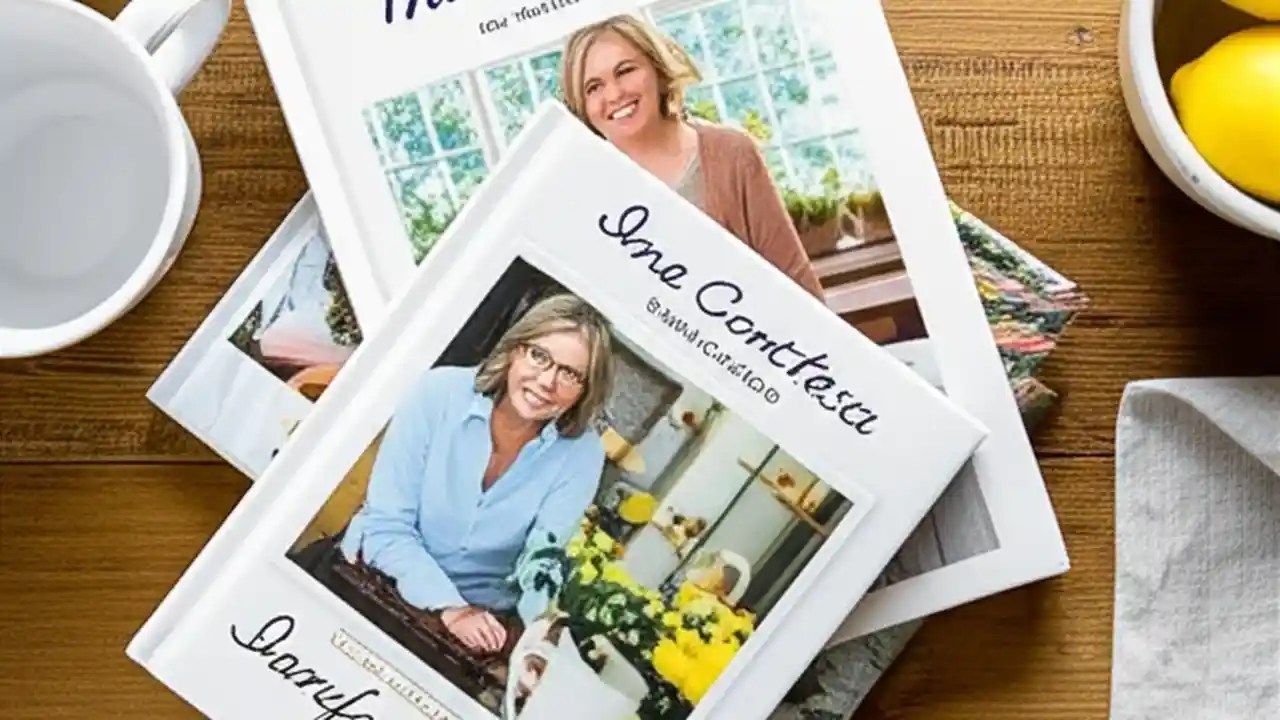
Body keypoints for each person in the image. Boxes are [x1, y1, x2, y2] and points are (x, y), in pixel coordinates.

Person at [338, 292, 616, 654]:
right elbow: (387, 523)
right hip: (377, 577)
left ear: (585, 391)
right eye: (539, 356)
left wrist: (538, 638)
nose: (547, 381)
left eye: (570, 374)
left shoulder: (582, 453)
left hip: (480, 624)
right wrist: (451, 607)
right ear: (515, 350)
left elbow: (541, 560)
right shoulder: (437, 393)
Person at [560, 14, 825, 299]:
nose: (614, 94)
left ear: (659, 72)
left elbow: (798, 286)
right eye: (593, 87)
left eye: (625, 71)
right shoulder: (585, 195)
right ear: (583, 108)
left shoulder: (732, 155)